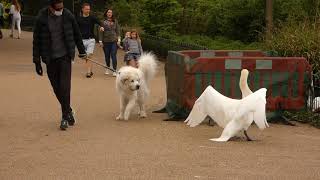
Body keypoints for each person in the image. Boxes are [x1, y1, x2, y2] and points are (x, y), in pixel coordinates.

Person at [33, 0, 87, 130]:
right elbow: (36, 40)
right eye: (58, 9)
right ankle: (68, 110)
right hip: (50, 58)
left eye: (62, 8)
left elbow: (77, 34)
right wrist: (36, 61)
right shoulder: (42, 17)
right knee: (56, 88)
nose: (60, 11)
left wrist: (82, 51)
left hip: (65, 57)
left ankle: (64, 118)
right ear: (51, 8)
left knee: (64, 87)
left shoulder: (68, 15)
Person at [77, 3, 103, 78]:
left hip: (91, 40)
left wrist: (101, 26)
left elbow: (100, 22)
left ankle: (88, 72)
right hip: (81, 41)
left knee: (89, 55)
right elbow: (75, 28)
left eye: (89, 9)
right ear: (83, 9)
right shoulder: (78, 19)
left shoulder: (92, 17)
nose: (88, 10)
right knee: (85, 57)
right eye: (86, 9)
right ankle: (90, 70)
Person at [99, 9, 121, 77]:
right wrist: (100, 41)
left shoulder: (115, 21)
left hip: (114, 41)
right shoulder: (102, 21)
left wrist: (119, 39)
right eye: (108, 12)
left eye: (111, 12)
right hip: (105, 41)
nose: (109, 13)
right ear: (106, 13)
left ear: (112, 14)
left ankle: (114, 70)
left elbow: (118, 30)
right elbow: (100, 31)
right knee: (107, 56)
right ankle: (107, 68)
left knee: (113, 55)